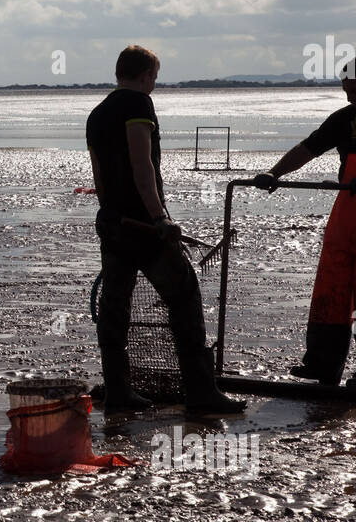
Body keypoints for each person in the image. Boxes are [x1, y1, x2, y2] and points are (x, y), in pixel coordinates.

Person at [87, 45, 244, 415]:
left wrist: (111, 213)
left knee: (115, 309)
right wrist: (159, 218)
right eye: (154, 77)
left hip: (111, 222)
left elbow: (99, 173)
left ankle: (118, 392)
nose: (154, 84)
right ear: (144, 75)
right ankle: (201, 392)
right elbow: (142, 163)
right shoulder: (138, 105)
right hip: (143, 226)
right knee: (184, 297)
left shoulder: (97, 113)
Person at [253, 55, 356, 390]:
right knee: (332, 289)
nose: (350, 98)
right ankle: (322, 364)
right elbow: (310, 147)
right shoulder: (345, 118)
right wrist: (275, 172)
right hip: (347, 213)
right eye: (346, 92)